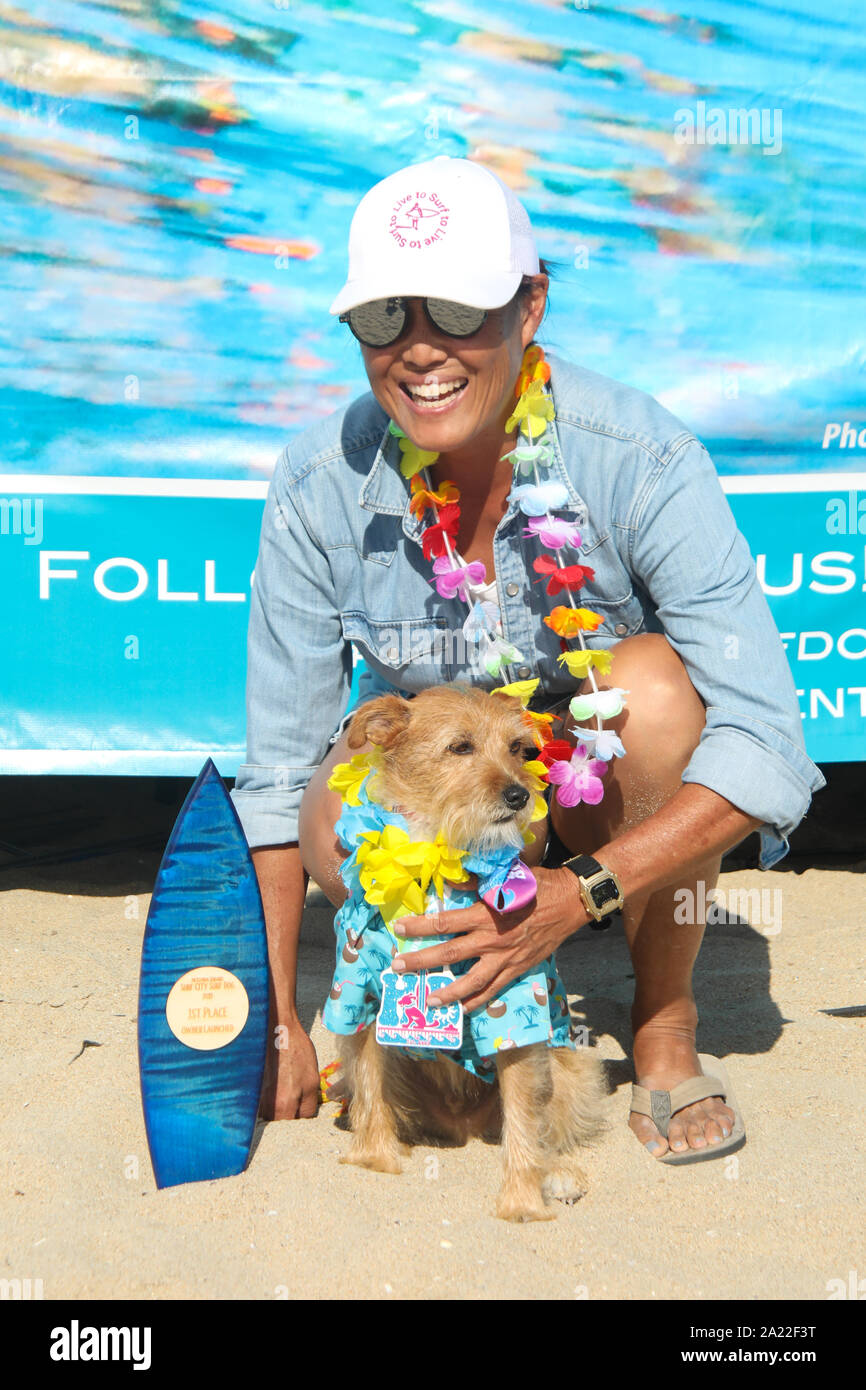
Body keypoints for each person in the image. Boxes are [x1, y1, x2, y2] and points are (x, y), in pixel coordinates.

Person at [231, 155, 824, 1161]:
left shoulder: (636, 452)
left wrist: (580, 890)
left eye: (457, 312)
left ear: (529, 304)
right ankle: (426, 1012)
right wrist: (280, 1014)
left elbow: (765, 739)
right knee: (336, 788)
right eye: (383, 317)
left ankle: (662, 1027)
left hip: (594, 814)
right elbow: (277, 769)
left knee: (653, 692)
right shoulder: (315, 478)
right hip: (435, 809)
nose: (418, 350)